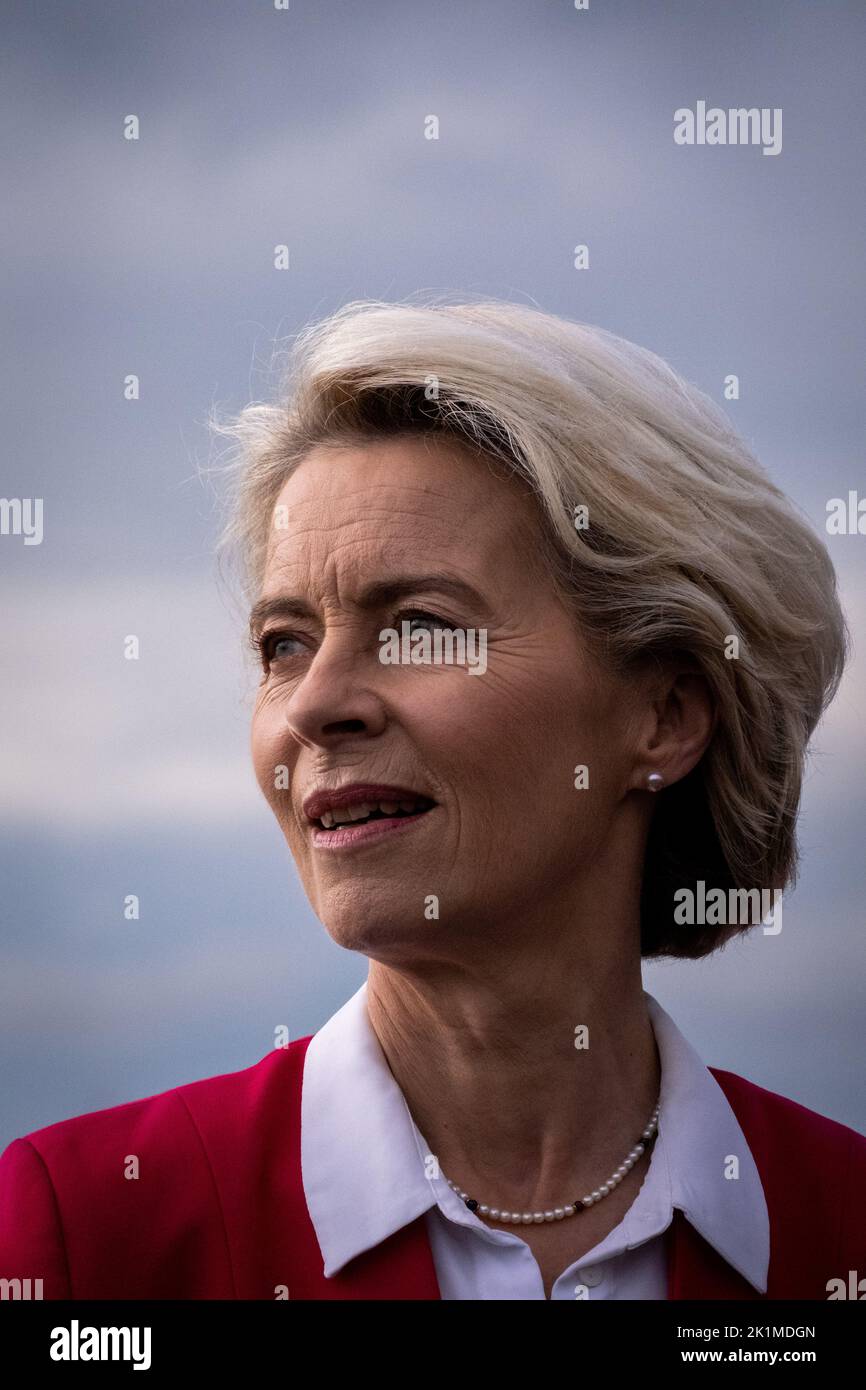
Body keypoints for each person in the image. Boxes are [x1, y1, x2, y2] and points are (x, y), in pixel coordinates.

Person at [1, 298, 863, 1300]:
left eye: (417, 626)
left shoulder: (839, 1232)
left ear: (664, 714)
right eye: (284, 643)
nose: (315, 705)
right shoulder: (83, 1235)